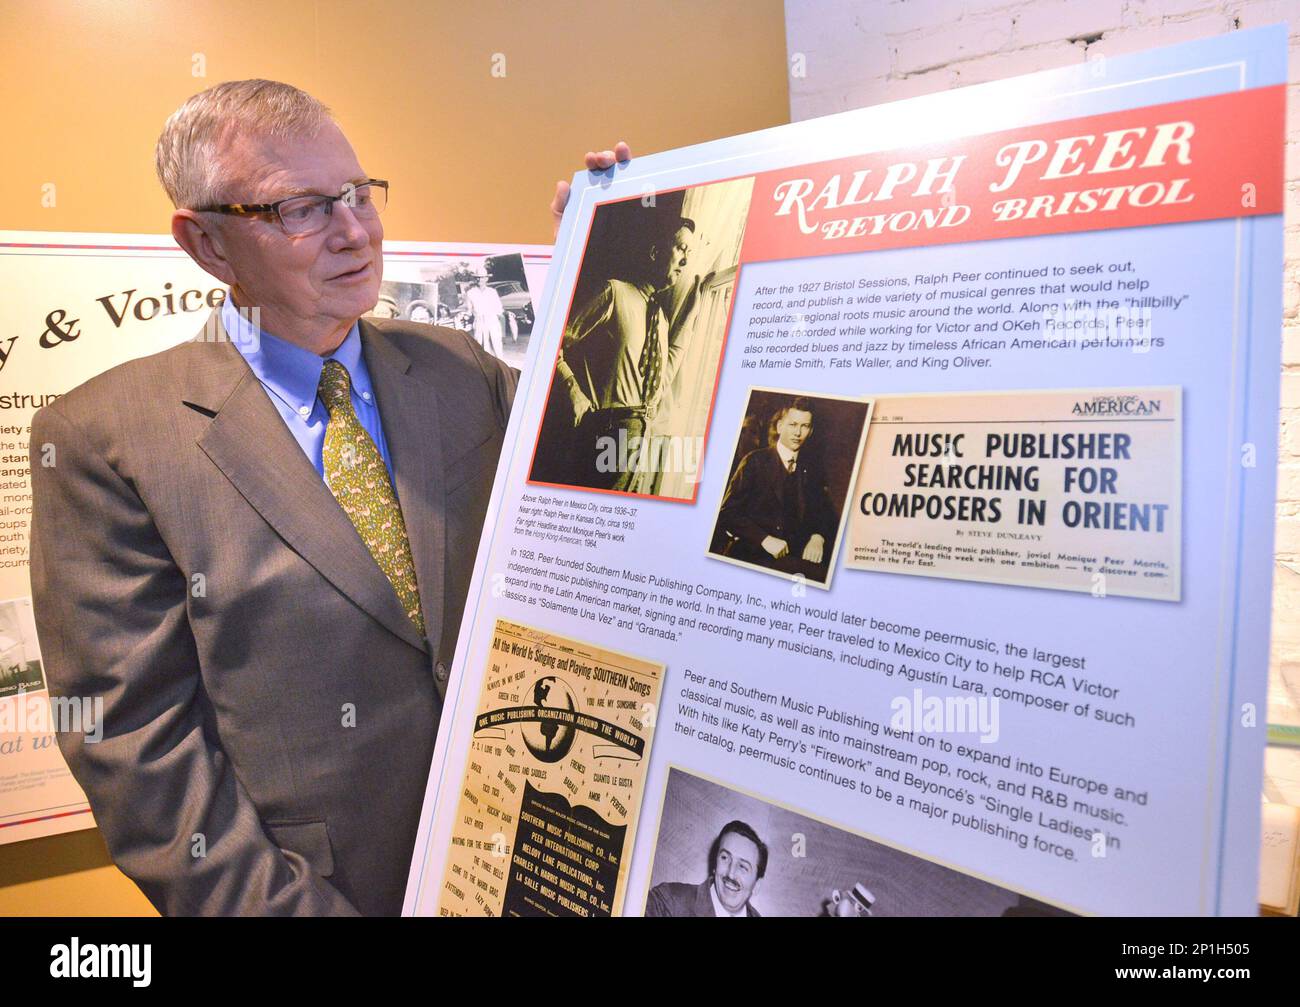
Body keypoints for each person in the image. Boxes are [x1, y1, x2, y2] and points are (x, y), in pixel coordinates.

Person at [27, 77, 627, 916]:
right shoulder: (106, 440)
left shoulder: (461, 372)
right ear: (207, 243)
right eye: (299, 209)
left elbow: (609, 476)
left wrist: (603, 261)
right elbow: (138, 750)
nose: (355, 232)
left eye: (357, 195)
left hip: (524, 858)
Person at [537, 212, 707, 492]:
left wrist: (692, 311)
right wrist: (574, 391)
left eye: (691, 253)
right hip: (606, 429)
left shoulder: (661, 319)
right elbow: (550, 343)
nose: (686, 260)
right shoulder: (614, 292)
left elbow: (662, 379)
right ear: (655, 251)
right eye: (681, 249)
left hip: (642, 433)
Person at [712, 397, 838, 583]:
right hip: (751, 556)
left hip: (792, 560)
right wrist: (764, 539)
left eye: (804, 426)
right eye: (793, 424)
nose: (798, 432)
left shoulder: (812, 470)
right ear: (780, 426)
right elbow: (727, 513)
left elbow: (822, 511)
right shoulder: (754, 461)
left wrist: (817, 536)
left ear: (810, 431)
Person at [645, 820, 766, 917]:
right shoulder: (667, 902)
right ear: (715, 864)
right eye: (725, 858)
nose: (731, 873)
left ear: (757, 885)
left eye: (743, 866)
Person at [463, 271, 506, 358]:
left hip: (492, 321)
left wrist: (506, 316)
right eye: (477, 278)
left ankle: (501, 368)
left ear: (486, 278)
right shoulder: (470, 293)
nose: (480, 280)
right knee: (481, 347)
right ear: (475, 279)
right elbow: (469, 310)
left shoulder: (492, 292)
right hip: (479, 322)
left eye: (482, 277)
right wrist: (465, 317)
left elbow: (499, 310)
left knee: (497, 346)